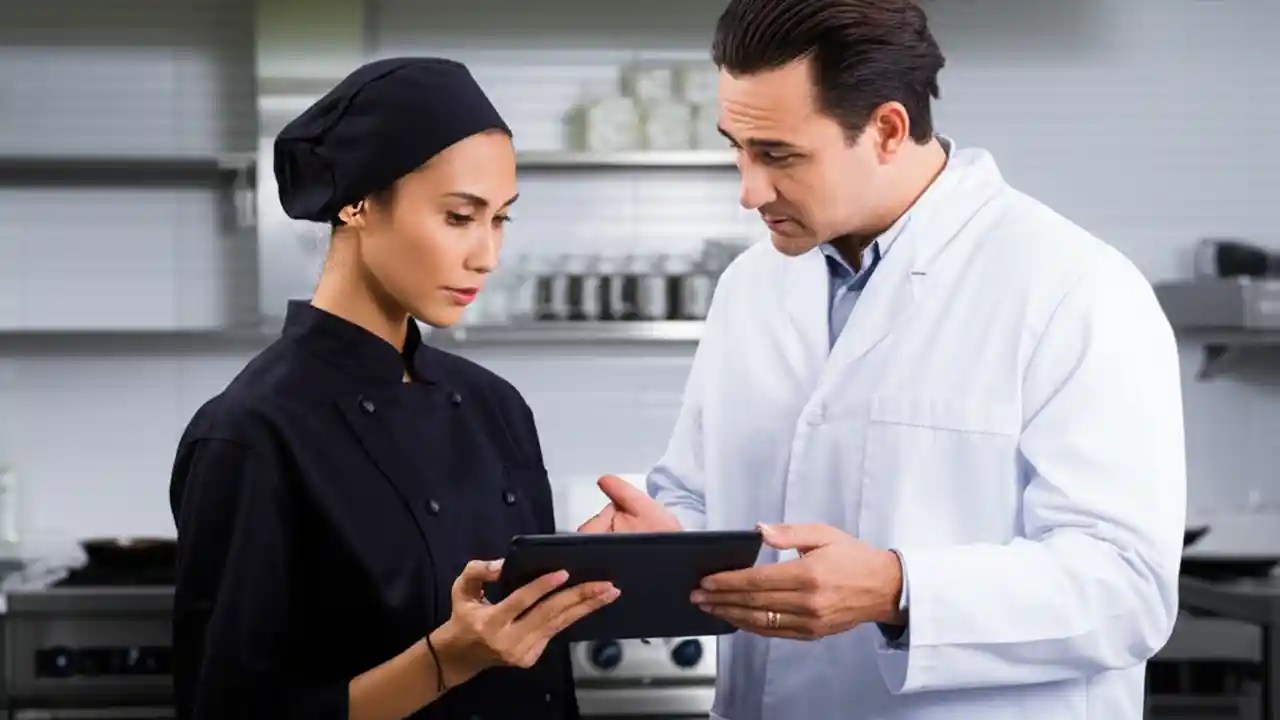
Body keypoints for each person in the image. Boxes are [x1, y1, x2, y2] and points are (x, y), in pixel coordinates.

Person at [579, 1, 1186, 718]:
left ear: (887, 130)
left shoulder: (1074, 287)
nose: (748, 191)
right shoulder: (751, 285)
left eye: (778, 155)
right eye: (737, 149)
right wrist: (659, 544)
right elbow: (700, 493)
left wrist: (897, 590)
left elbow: (1128, 587)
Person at [169, 57, 619, 720]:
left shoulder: (496, 405)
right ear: (356, 202)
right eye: (459, 216)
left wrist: (592, 570)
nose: (487, 256)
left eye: (500, 219)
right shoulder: (251, 433)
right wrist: (447, 660)